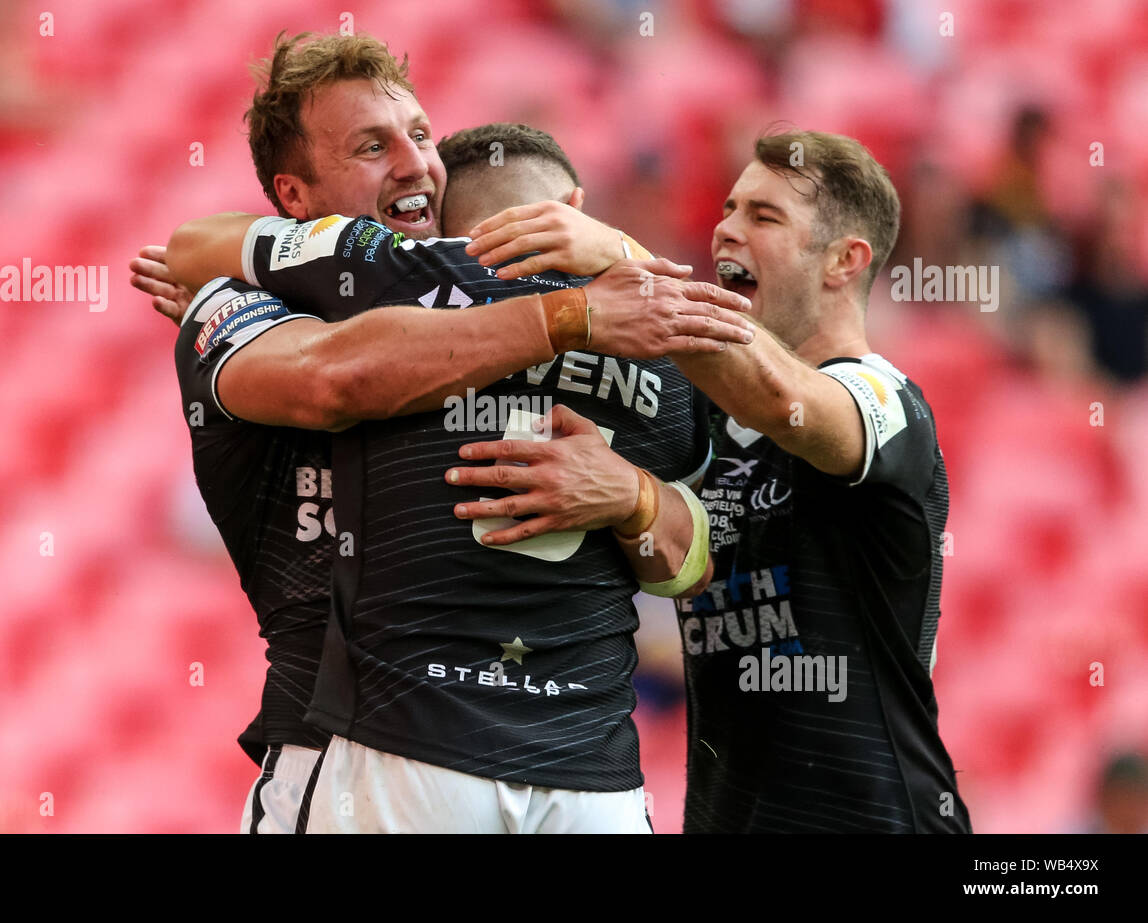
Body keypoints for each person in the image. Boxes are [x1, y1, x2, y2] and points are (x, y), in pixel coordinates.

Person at [136, 32, 751, 833]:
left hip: (571, 766)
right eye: (371, 145)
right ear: (294, 195)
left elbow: (694, 556)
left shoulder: (532, 309)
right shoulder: (251, 310)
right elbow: (334, 376)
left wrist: (629, 495)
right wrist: (578, 308)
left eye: (421, 135)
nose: (413, 162)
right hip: (348, 751)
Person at [465, 130, 973, 832]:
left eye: (764, 217)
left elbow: (782, 402)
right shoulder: (698, 416)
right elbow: (676, 560)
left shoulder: (888, 403)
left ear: (844, 261)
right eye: (729, 208)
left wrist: (625, 257)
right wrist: (631, 497)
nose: (726, 228)